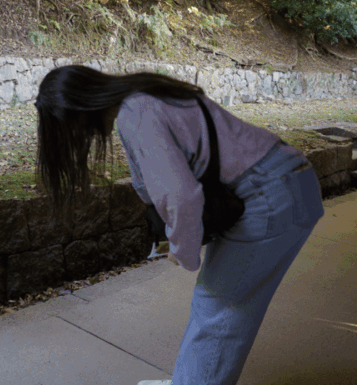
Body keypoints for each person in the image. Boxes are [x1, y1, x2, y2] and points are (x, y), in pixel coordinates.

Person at [34, 65, 324, 385]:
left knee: (218, 310)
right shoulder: (145, 95)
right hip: (285, 181)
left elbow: (181, 195)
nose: (79, 137)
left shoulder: (136, 114)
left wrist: (181, 248)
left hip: (271, 194)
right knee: (221, 306)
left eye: (69, 129)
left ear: (80, 110)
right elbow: (157, 178)